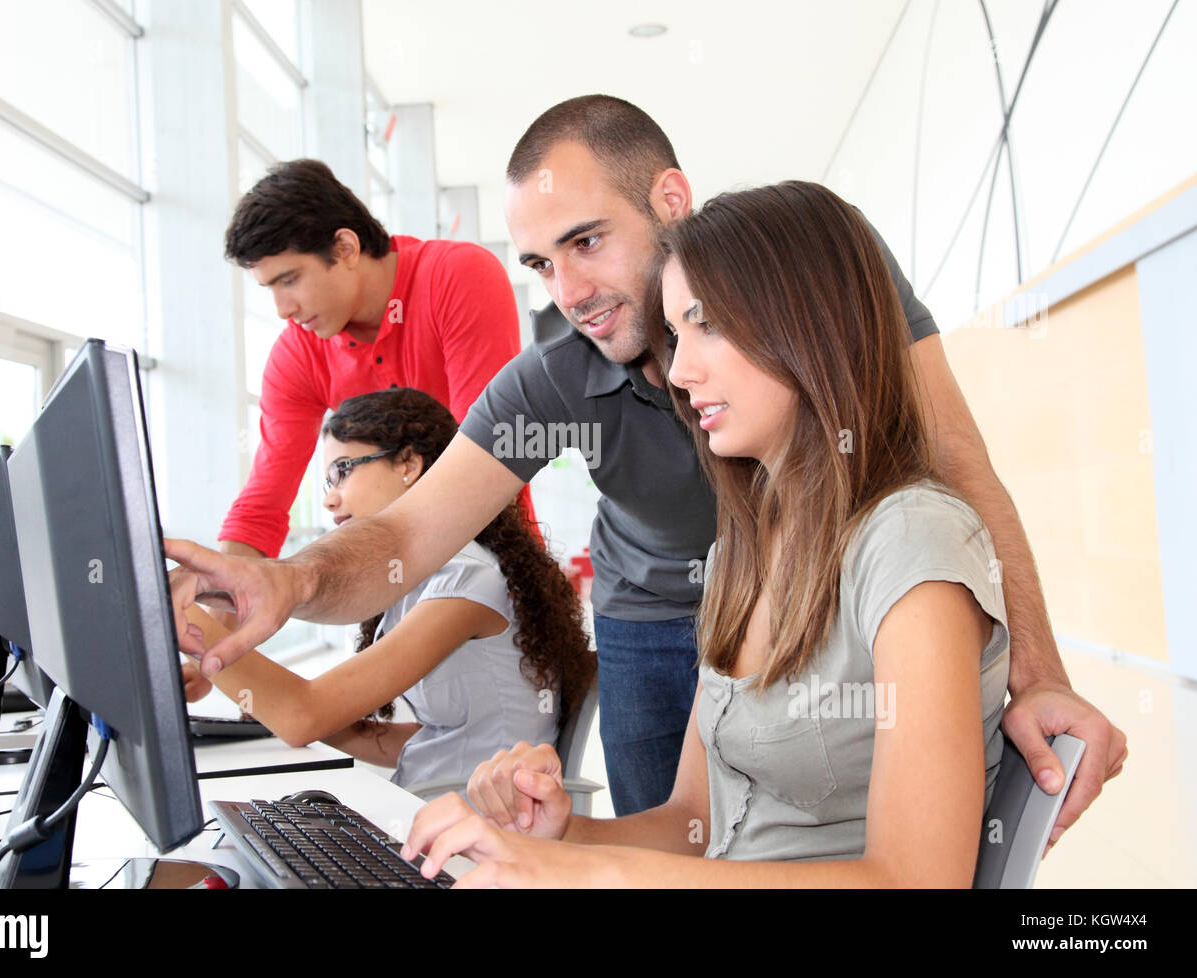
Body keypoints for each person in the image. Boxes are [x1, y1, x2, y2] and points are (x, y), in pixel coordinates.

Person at [167, 96, 1124, 835]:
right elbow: (407, 538)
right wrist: (286, 582)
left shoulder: (818, 283)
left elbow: (959, 461)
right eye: (541, 263)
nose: (569, 292)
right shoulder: (553, 378)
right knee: (678, 830)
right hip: (653, 617)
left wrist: (1037, 668)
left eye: (586, 242)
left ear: (671, 198)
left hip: (809, 596)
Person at [400, 182, 1012, 886]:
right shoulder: (741, 549)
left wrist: (589, 877)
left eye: (707, 325)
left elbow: (915, 881)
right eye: (674, 334)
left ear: (815, 324)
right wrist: (563, 837)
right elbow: (694, 825)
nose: (681, 373)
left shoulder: (914, 545)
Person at [179, 389, 593, 788]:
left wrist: (184, 615)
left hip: (479, 835)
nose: (330, 500)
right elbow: (437, 741)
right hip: (438, 810)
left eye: (343, 471)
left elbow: (303, 714)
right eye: (327, 482)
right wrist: (266, 707)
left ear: (408, 465)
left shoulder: (467, 580)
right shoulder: (415, 579)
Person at [218, 159, 525, 562]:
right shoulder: (296, 353)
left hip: (491, 566)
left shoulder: (456, 277)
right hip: (391, 582)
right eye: (269, 288)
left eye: (289, 279)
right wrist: (214, 606)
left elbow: (487, 459)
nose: (281, 309)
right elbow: (262, 507)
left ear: (345, 248)